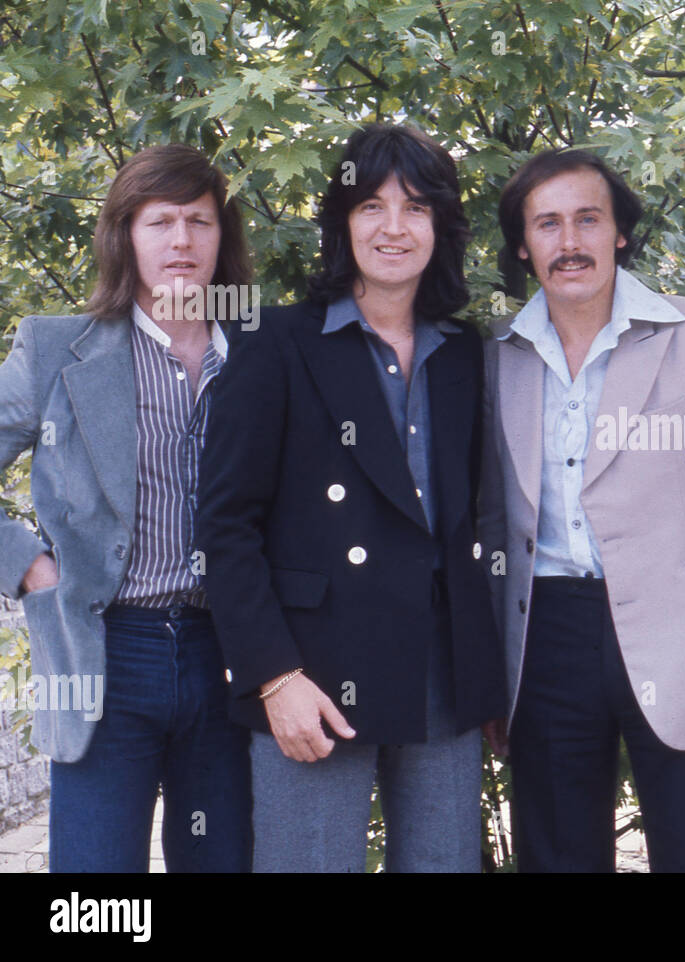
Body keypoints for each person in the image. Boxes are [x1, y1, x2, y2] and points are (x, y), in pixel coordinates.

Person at [196, 123, 505, 872]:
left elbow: (478, 522)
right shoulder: (274, 343)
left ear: (442, 227)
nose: (393, 228)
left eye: (416, 208)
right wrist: (273, 676)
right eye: (370, 206)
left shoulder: (468, 352)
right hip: (314, 673)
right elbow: (224, 526)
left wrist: (489, 677)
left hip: (443, 670)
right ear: (340, 225)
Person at [479, 149, 685, 872]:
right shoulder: (496, 355)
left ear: (619, 233)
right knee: (558, 860)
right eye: (546, 224)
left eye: (588, 219)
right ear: (523, 245)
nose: (569, 241)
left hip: (684, 640)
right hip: (544, 639)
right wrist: (491, 672)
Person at [0, 144, 254, 871]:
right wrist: (31, 569)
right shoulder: (57, 351)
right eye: (160, 222)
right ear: (124, 236)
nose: (182, 241)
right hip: (103, 651)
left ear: (221, 238)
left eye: (200, 223)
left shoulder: (261, 350)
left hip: (229, 655)